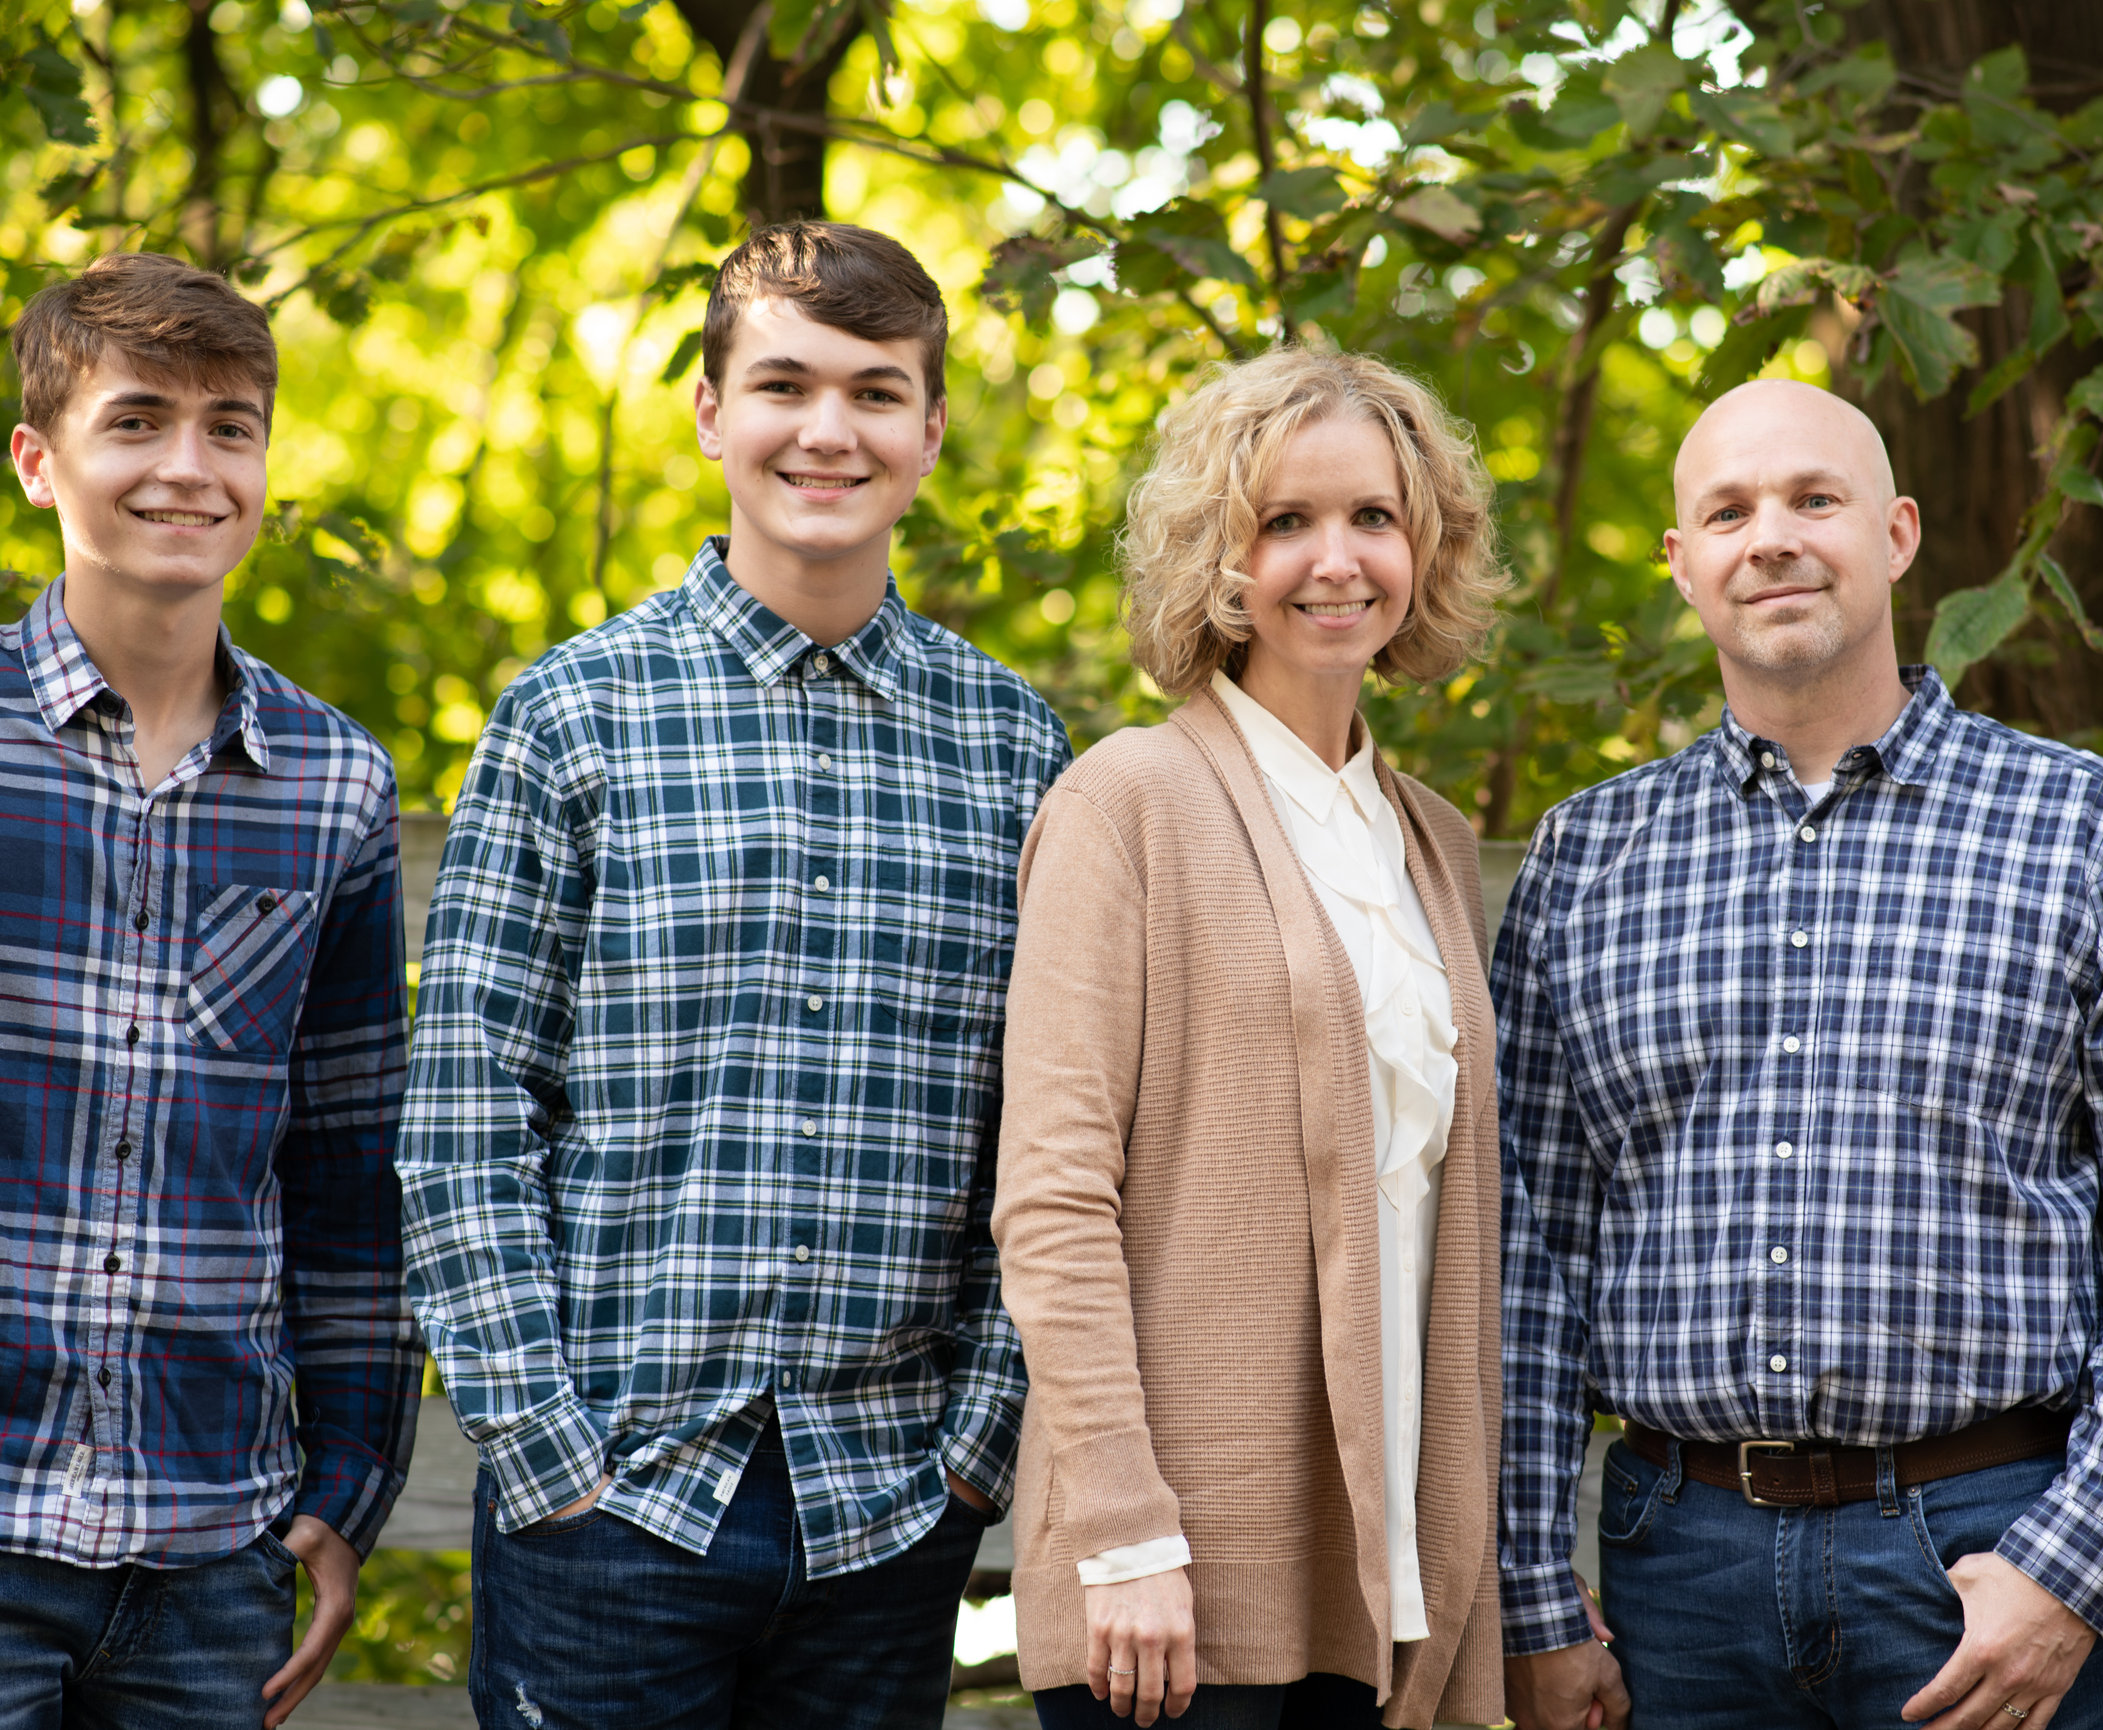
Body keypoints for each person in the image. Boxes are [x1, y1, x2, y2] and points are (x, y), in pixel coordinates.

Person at [1493, 377, 2103, 1730]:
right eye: (1727, 511)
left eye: (1813, 499)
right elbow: (1531, 1256)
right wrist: (1532, 1600)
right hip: (1680, 1566)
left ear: (1898, 535)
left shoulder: (2081, 829)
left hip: (1987, 1548)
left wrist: (2071, 1569)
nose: (1771, 537)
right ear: (1683, 564)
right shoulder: (1588, 860)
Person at [397, 221, 1069, 1730]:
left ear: (931, 426)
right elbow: (463, 1118)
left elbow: (1057, 1129)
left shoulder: (1017, 751)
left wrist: (976, 1447)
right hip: (612, 1508)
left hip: (890, 1508)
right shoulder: (571, 719)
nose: (827, 430)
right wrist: (545, 1449)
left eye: (876, 391)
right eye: (784, 384)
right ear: (710, 413)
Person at [994, 346, 1507, 1730]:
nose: (1333, 559)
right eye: (1284, 521)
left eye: (1373, 519)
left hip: (1379, 1568)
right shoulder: (1128, 805)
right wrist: (1123, 1525)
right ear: (1218, 555)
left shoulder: (1435, 846)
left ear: (1425, 547)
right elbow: (1050, 1196)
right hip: (1169, 1586)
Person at [0, 252, 420, 1729]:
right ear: (40, 460)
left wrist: (350, 1486)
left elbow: (354, 1165)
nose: (189, 466)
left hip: (211, 1550)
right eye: (139, 421)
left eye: (230, 425)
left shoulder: (334, 786)